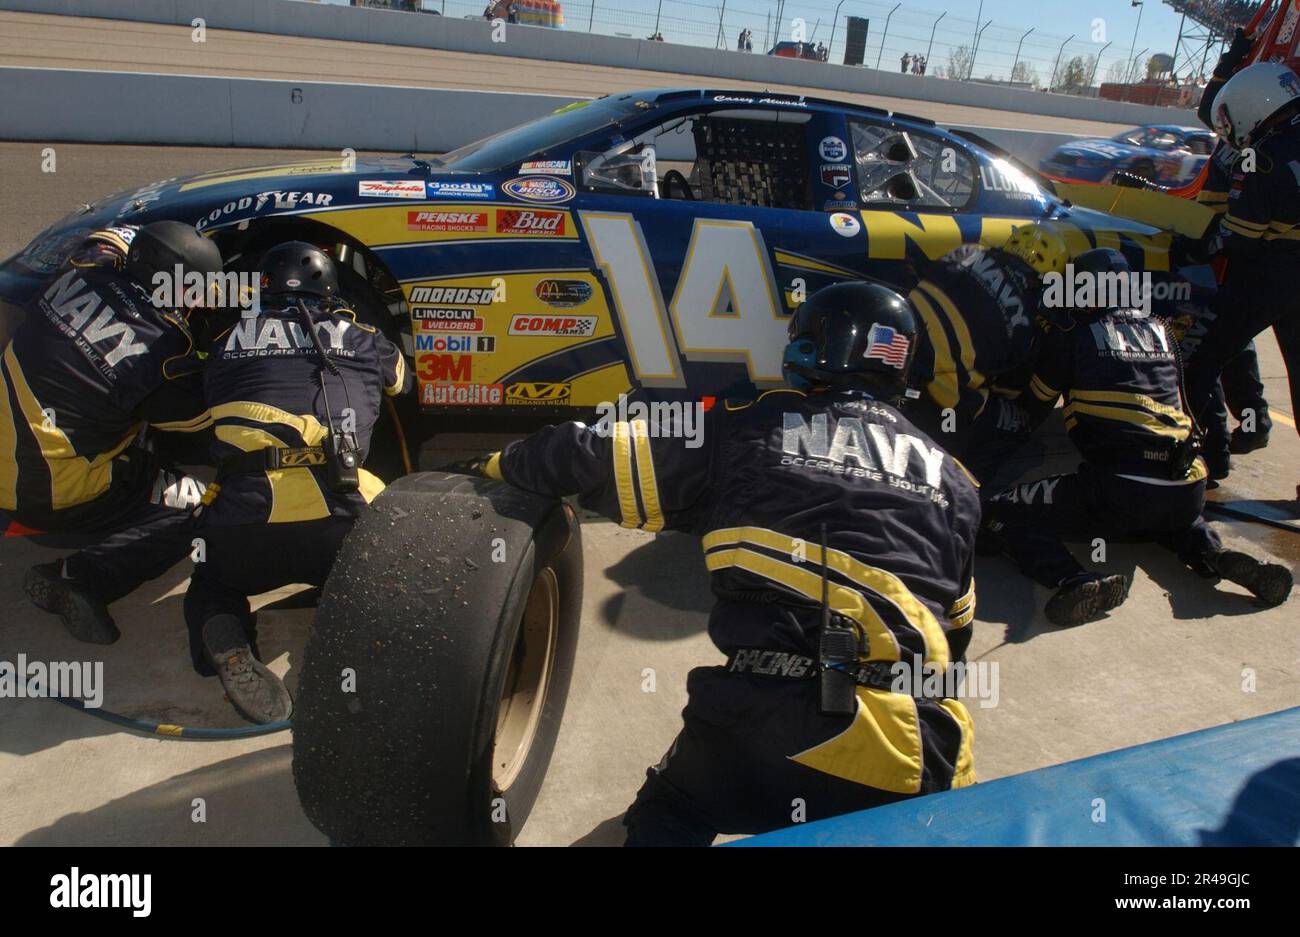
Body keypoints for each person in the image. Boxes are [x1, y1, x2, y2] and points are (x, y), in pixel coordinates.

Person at [449, 282, 981, 845]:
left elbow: (587, 457)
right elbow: (959, 634)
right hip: (923, 750)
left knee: (668, 814)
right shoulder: (958, 481)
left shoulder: (751, 423)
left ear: (817, 347)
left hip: (771, 724)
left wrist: (489, 466)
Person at [983, 248, 1292, 627]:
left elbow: (1031, 407)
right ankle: (1217, 556)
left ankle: (1072, 579)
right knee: (1172, 523)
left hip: (1121, 487)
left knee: (1000, 510)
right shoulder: (1162, 331)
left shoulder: (1075, 336)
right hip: (1187, 486)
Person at [184, 242, 411, 723]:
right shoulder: (362, 336)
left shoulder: (226, 343)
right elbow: (399, 382)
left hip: (242, 521)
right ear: (329, 287)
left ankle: (227, 633)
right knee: (371, 584)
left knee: (212, 582)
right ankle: (354, 655)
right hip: (341, 517)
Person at [8, 221, 222, 644]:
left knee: (116, 411)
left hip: (14, 442)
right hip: (42, 491)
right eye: (195, 292)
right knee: (205, 502)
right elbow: (205, 421)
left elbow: (107, 234)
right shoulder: (161, 350)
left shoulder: (83, 270)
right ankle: (80, 578)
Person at [1182, 61, 1300, 470]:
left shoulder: (1260, 157)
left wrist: (1193, 248)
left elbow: (1240, 238)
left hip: (1271, 275)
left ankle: (1203, 460)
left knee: (1200, 362)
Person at [904, 224, 1056, 480]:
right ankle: (967, 489)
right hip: (938, 402)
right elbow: (1011, 389)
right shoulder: (1027, 322)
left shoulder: (967, 251)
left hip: (895, 363)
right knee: (1016, 420)